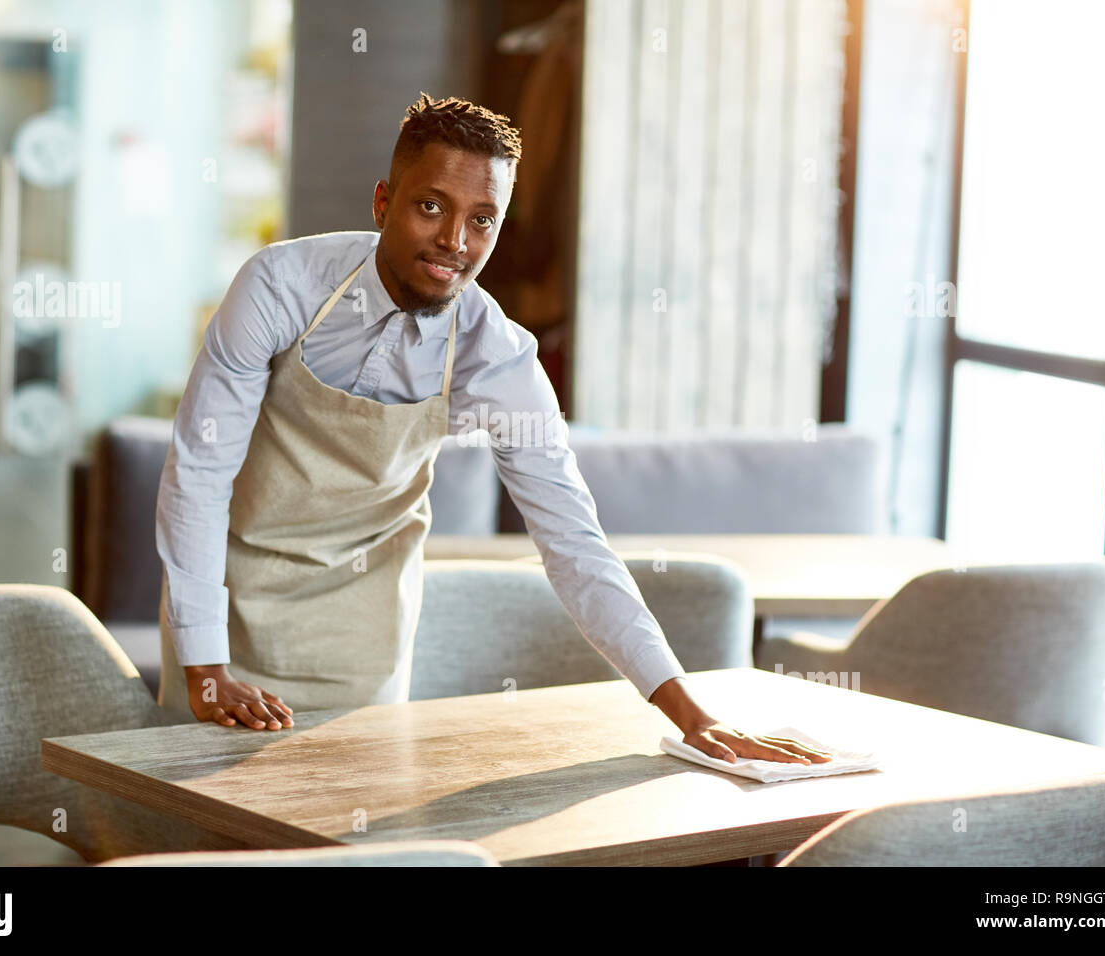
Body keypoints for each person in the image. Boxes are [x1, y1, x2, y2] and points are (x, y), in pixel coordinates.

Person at [155, 92, 830, 767]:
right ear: (383, 201)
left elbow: (573, 544)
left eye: (482, 220)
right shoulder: (278, 288)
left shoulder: (497, 356)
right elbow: (201, 473)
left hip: (361, 632)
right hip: (225, 608)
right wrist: (204, 662)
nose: (455, 242)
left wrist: (690, 714)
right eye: (431, 207)